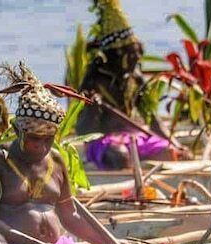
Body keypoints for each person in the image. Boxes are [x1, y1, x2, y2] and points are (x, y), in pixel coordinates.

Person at [0, 62, 133, 244]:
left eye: (48, 140)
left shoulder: (55, 160)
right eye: (34, 139)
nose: (42, 146)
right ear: (17, 130)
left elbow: (70, 213)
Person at [76, 0, 188, 169]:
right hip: (103, 143)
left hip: (134, 138)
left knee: (171, 153)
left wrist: (174, 142)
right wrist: (92, 109)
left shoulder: (134, 79)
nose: (136, 59)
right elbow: (82, 131)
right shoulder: (95, 82)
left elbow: (153, 120)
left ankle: (141, 171)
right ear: (117, 54)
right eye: (131, 54)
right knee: (119, 155)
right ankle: (129, 178)